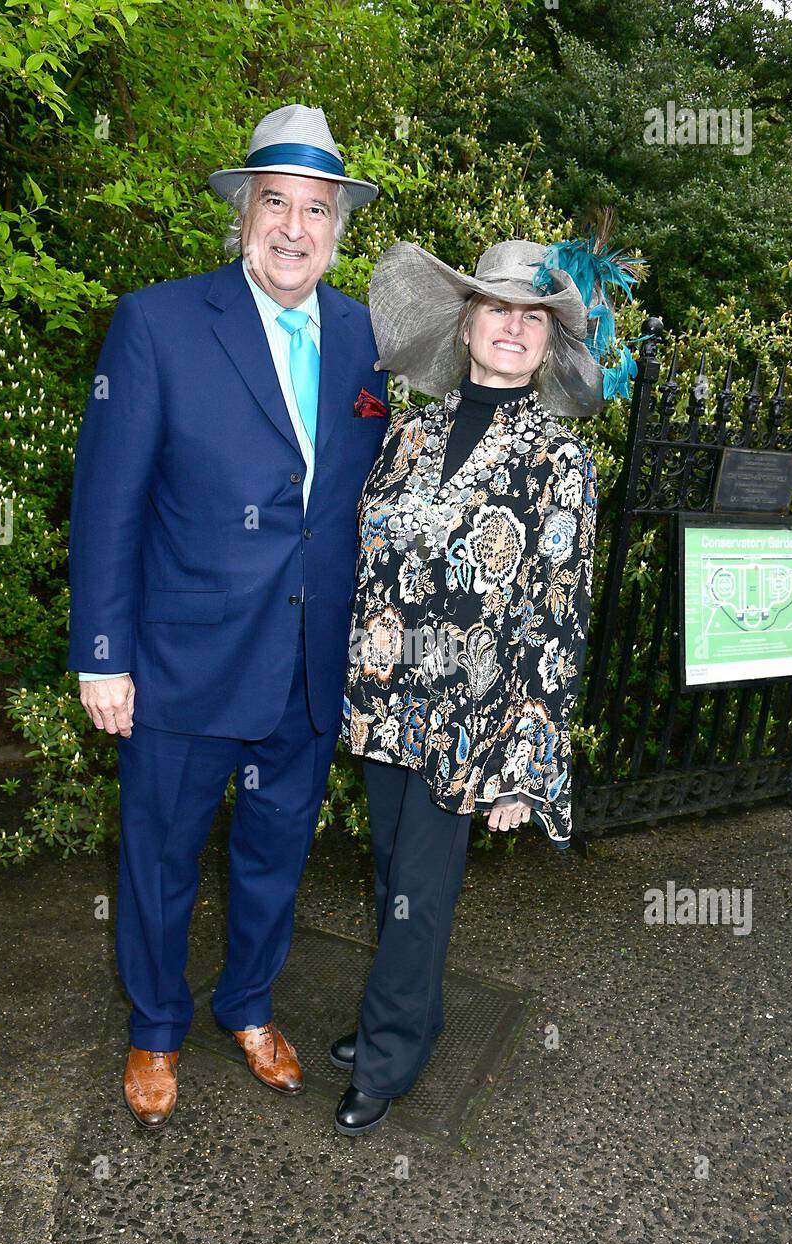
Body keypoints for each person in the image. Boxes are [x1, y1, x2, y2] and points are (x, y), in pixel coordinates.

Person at [68, 104, 390, 1128]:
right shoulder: (156, 322)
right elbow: (107, 502)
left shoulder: (362, 336)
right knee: (158, 858)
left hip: (304, 664)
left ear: (339, 226)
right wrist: (101, 655)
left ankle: (246, 1004)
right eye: (274, 203)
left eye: (316, 208)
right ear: (241, 213)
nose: (294, 227)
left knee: (274, 856)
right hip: (178, 664)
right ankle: (156, 1026)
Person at [332, 234, 642, 1135]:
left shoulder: (561, 464)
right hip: (386, 698)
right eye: (498, 308)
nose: (512, 326)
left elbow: (559, 617)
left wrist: (523, 762)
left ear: (549, 343)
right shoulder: (409, 428)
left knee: (420, 888)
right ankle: (416, 1011)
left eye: (532, 317)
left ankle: (388, 1058)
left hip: (476, 718)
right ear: (467, 323)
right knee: (393, 873)